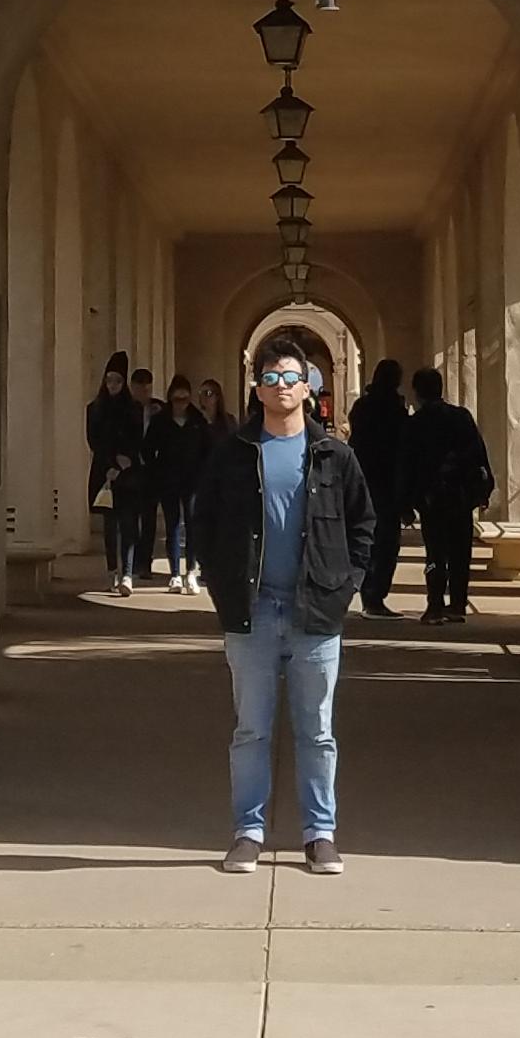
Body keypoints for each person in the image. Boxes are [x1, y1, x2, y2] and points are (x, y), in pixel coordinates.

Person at [194, 335, 375, 875]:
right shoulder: (233, 453)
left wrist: (344, 586)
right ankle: (248, 831)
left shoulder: (333, 456)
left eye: (290, 378)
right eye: (270, 378)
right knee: (251, 730)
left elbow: (363, 524)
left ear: (309, 387)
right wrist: (220, 584)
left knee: (317, 731)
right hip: (253, 610)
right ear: (257, 387)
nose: (281, 387)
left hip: (315, 613)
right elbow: (204, 522)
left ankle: (320, 833)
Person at [401, 365, 494, 624]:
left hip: (431, 499)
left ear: (417, 393)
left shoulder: (415, 424)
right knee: (460, 553)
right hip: (461, 496)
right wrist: (485, 490)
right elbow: (479, 455)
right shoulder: (461, 417)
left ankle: (434, 606)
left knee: (435, 553)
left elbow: (407, 465)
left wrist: (406, 503)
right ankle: (458, 604)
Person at [346, 357, 410, 615]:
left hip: (363, 479)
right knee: (386, 543)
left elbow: (356, 440)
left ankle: (367, 592)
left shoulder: (362, 406)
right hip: (388, 483)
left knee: (367, 537)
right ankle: (375, 596)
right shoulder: (396, 410)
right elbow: (404, 450)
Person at [104, 363, 163, 594]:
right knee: (122, 522)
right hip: (124, 471)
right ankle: (119, 570)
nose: (144, 392)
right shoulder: (119, 410)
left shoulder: (158, 409)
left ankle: (141, 564)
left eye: (147, 388)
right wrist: (115, 462)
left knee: (146, 519)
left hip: (149, 471)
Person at [85, 350, 132, 589]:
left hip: (127, 472)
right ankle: (112, 568)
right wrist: (111, 465)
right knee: (110, 525)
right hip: (104, 471)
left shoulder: (131, 408)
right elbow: (94, 441)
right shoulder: (94, 409)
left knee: (128, 522)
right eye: (109, 380)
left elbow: (136, 439)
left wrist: (125, 462)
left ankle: (128, 572)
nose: (113, 385)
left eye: (118, 381)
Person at [158, 373, 209, 591]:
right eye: (177, 400)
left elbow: (206, 450)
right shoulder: (161, 420)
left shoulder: (197, 420)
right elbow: (149, 447)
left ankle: (191, 571)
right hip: (168, 479)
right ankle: (175, 574)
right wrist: (156, 469)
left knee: (192, 526)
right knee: (172, 526)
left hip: (193, 480)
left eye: (185, 400)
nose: (181, 405)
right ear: (170, 398)